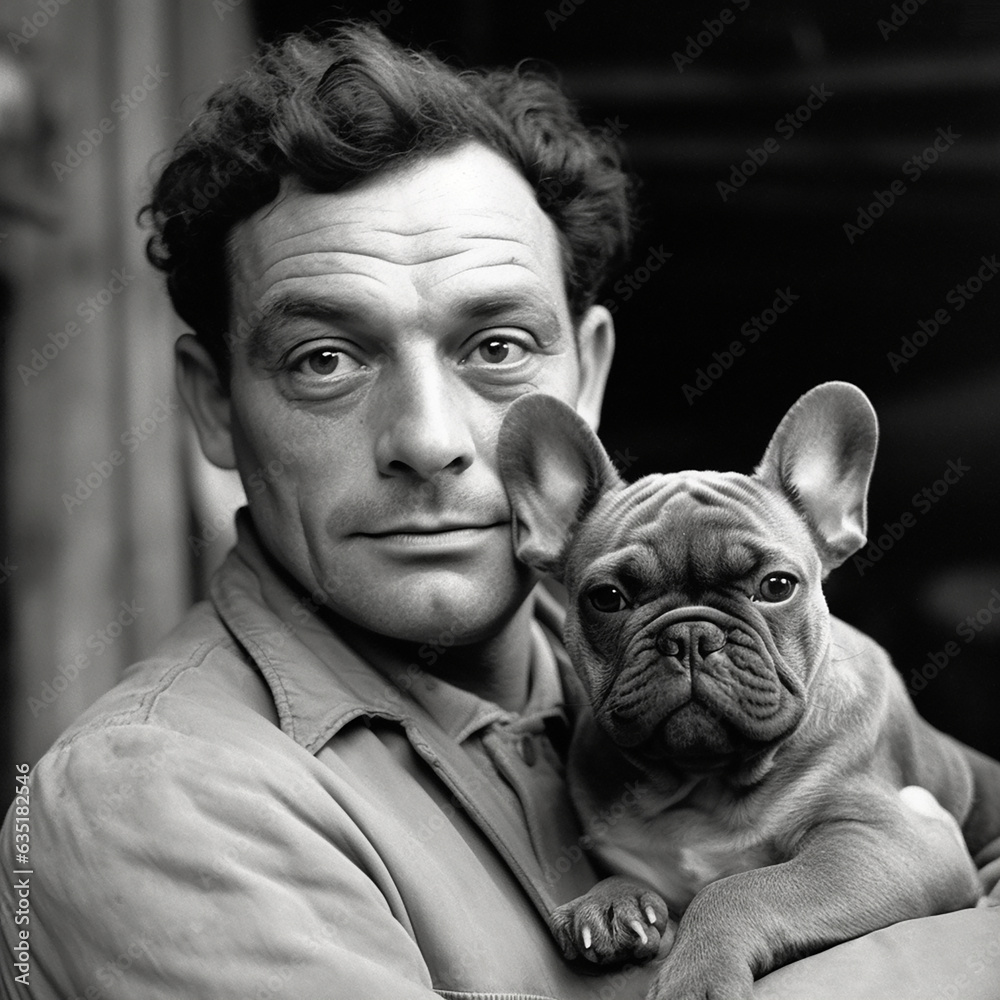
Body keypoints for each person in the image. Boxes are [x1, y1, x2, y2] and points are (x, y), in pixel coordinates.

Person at [2, 23, 997, 1000]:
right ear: (217, 405)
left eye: (496, 347)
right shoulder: (158, 801)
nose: (430, 437)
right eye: (325, 358)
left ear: (589, 379)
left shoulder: (646, 630)